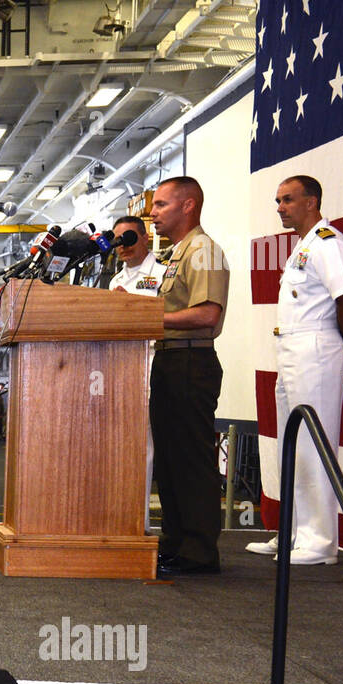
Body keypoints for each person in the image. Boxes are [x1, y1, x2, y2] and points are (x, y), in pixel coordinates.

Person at [246, 175, 343, 567]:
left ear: (311, 202)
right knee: (291, 445)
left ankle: (320, 541)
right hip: (292, 349)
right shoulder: (304, 246)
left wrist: (340, 339)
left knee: (315, 443)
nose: (280, 207)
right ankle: (294, 532)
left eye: (287, 199)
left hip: (315, 348)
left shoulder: (330, 243)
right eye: (278, 200)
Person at [148, 176, 230, 578]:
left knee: (191, 459)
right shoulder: (179, 252)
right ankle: (176, 542)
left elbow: (208, 315)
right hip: (169, 361)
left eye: (161, 204)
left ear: (188, 205)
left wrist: (147, 318)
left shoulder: (204, 251)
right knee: (169, 459)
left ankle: (199, 550)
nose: (152, 213)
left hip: (190, 363)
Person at [110, 214, 166, 525]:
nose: (123, 246)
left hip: (149, 368)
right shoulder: (115, 280)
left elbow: (162, 318)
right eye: (118, 240)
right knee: (118, 450)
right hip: (119, 371)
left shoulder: (162, 274)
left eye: (129, 238)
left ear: (145, 238)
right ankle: (118, 517)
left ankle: (139, 522)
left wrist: (129, 303)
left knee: (142, 450)